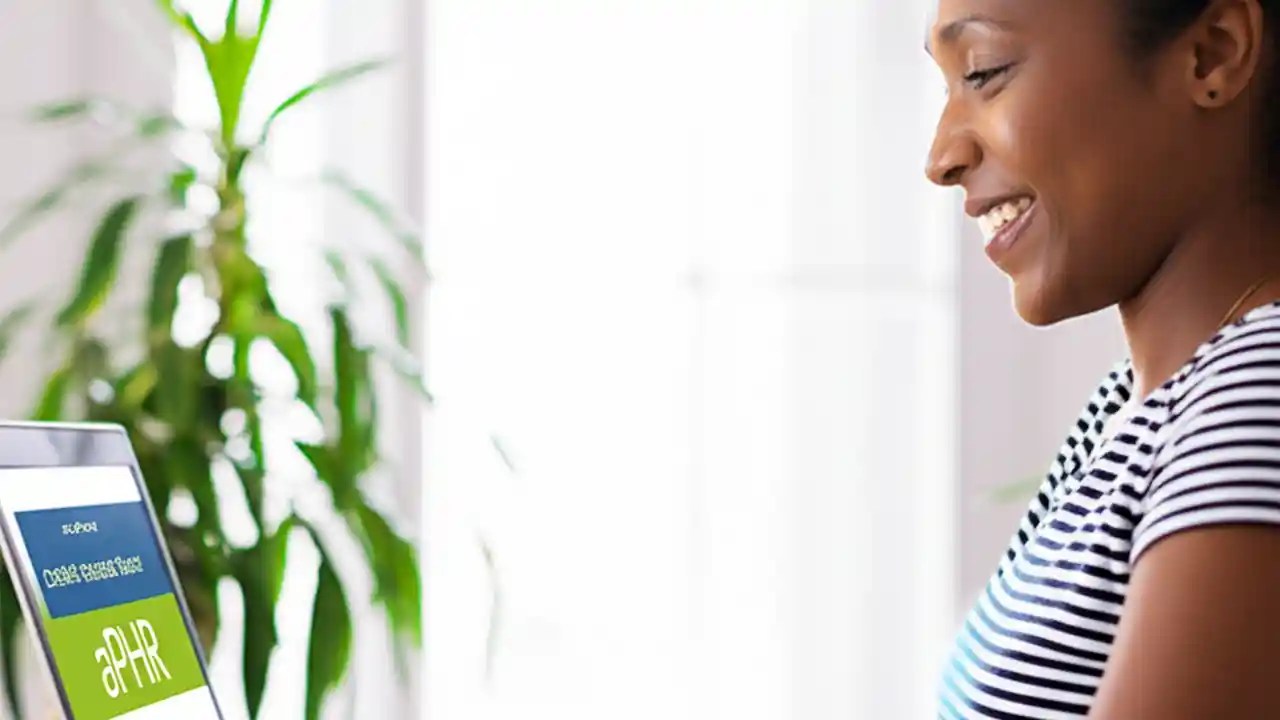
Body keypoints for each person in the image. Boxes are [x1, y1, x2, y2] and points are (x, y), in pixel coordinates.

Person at [925, 0, 1280, 717]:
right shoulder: (1142, 403)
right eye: (947, 87)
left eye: (985, 72)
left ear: (1211, 54)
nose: (942, 156)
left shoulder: (1256, 398)